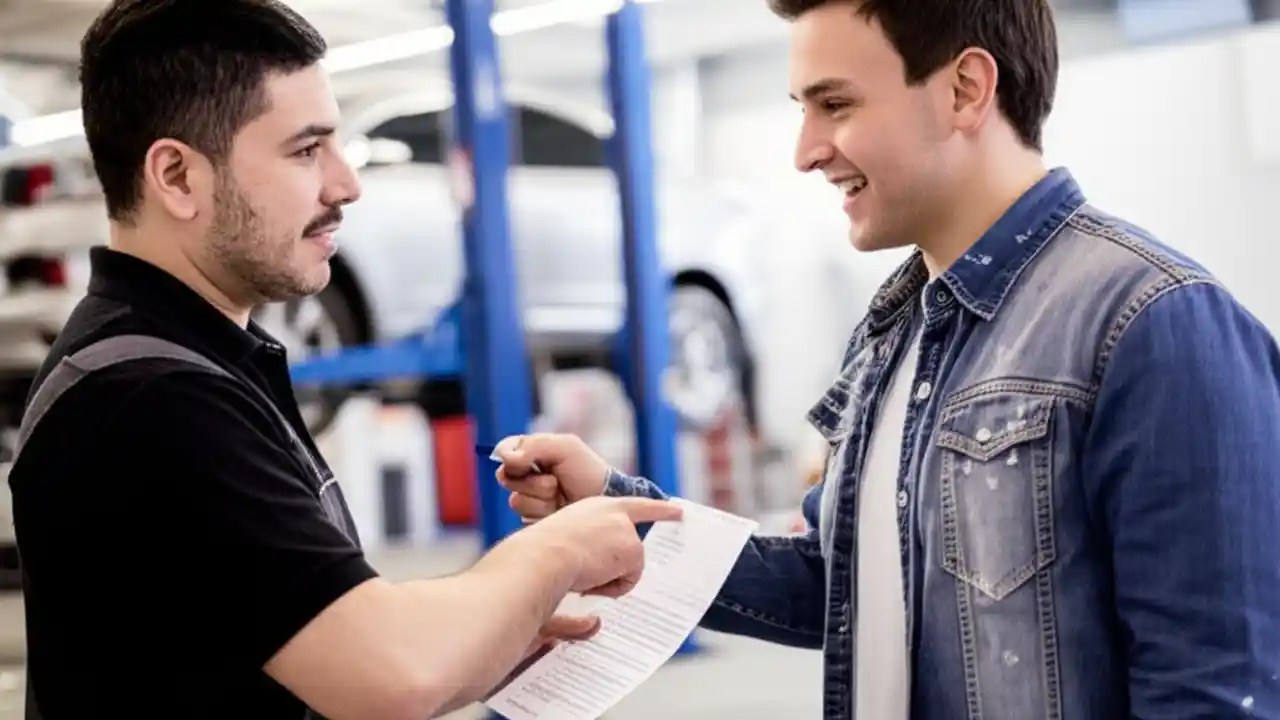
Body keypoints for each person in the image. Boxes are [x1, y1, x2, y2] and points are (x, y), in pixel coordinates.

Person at [497, 0, 1280, 718]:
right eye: (802, 110)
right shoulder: (892, 335)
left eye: (835, 104)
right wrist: (617, 508)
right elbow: (838, 583)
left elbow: (1212, 689)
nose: (806, 152)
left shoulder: (1153, 323)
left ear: (966, 90)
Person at [7, 1, 682, 718]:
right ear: (177, 176)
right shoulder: (148, 397)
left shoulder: (195, 367)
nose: (345, 184)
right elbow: (388, 677)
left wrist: (475, 639)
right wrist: (556, 553)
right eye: (306, 150)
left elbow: (318, 645)